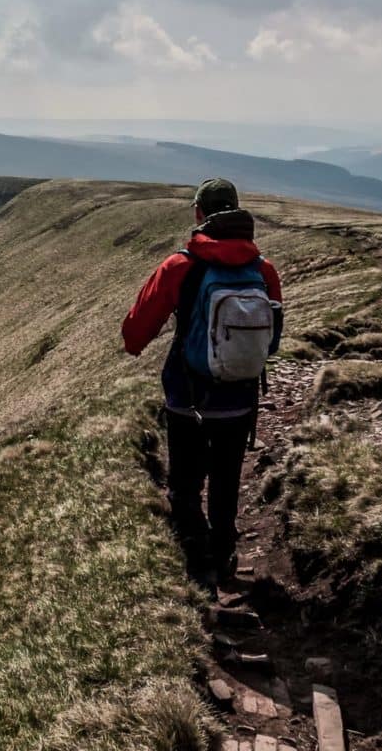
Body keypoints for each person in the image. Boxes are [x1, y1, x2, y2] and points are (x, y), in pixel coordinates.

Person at [121, 178, 284, 589]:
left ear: (199, 214)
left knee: (186, 480)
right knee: (227, 478)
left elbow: (135, 334)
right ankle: (224, 552)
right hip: (240, 398)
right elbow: (273, 340)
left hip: (186, 395)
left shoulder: (181, 266)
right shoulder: (264, 270)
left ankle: (195, 560)